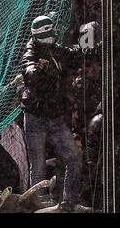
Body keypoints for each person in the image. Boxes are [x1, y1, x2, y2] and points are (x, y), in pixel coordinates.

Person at [20, 14, 92, 210]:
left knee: (74, 158)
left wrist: (88, 40)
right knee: (38, 165)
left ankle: (69, 203)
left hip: (55, 116)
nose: (51, 38)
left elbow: (75, 55)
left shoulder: (55, 50)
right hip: (35, 117)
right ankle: (38, 205)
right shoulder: (31, 53)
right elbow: (29, 71)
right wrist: (39, 72)